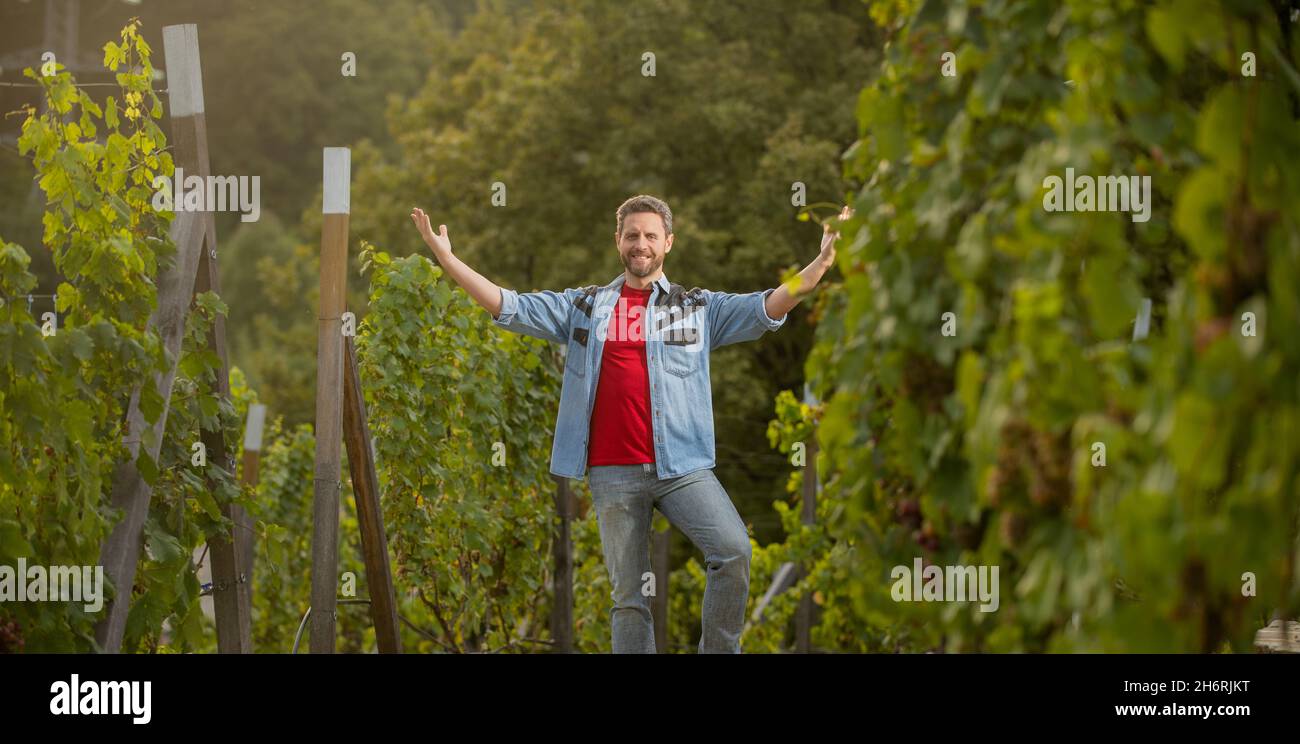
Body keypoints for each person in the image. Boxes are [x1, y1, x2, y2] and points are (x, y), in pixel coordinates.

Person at [410, 194, 850, 653]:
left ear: (668, 243)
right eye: (633, 235)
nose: (642, 243)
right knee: (629, 598)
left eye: (651, 236)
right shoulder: (584, 306)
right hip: (613, 472)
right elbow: (510, 306)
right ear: (618, 240)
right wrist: (448, 259)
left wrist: (821, 262)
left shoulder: (697, 307)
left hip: (681, 466)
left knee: (734, 549)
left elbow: (768, 306)